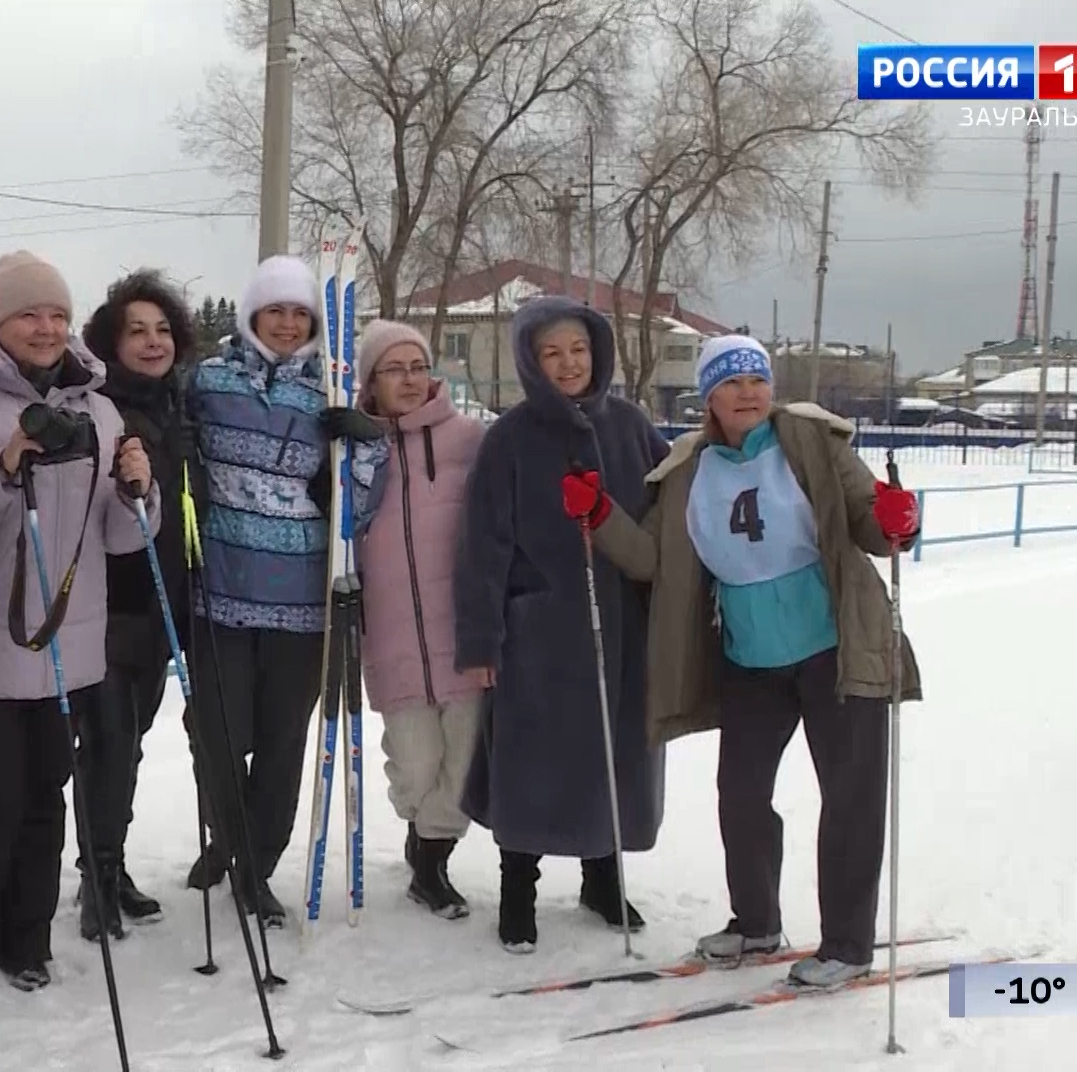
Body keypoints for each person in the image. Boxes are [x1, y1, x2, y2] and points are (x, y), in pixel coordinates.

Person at [574, 333, 923, 988]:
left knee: (850, 798)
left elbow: (869, 523)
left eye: (757, 380)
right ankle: (756, 922)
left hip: (835, 650)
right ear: (708, 397)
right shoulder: (687, 473)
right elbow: (653, 559)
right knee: (740, 795)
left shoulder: (813, 445)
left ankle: (847, 944)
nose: (749, 394)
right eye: (732, 383)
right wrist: (598, 515)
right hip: (749, 660)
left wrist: (899, 521)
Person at [0, 250, 160, 991]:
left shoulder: (97, 406)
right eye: (30, 314)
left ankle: (25, 939)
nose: (47, 327)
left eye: (58, 315)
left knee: (45, 796)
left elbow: (121, 538)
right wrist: (3, 463)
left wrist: (137, 495)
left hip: (70, 638)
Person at [454, 295, 669, 955]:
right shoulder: (509, 439)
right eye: (552, 353)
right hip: (539, 635)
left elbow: (672, 501)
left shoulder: (632, 426)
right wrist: (483, 639)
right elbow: (482, 547)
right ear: (532, 362)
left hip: (622, 630)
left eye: (577, 349)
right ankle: (518, 886)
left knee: (614, 758)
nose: (568, 363)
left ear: (597, 353)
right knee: (532, 765)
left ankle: (603, 877)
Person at [180, 253, 388, 928]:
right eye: (277, 311)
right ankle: (230, 835)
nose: (289, 325)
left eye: (301, 314)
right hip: (222, 587)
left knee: (279, 745)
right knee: (216, 731)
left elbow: (356, 504)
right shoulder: (208, 383)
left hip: (301, 599)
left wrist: (365, 447)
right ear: (251, 315)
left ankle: (253, 866)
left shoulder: (328, 392)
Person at [74, 269, 198, 941]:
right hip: (114, 605)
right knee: (109, 748)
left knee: (131, 746)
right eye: (136, 332)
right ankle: (95, 878)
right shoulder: (104, 408)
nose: (152, 343)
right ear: (111, 342)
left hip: (165, 606)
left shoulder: (180, 407)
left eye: (162, 331)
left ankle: (110, 863)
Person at [351, 319, 488, 921]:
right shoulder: (354, 448)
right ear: (370, 384)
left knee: (464, 762)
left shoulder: (472, 440)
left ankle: (432, 861)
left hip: (464, 635)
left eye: (417, 367)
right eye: (392, 370)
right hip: (392, 633)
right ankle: (419, 829)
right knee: (414, 761)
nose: (408, 380)